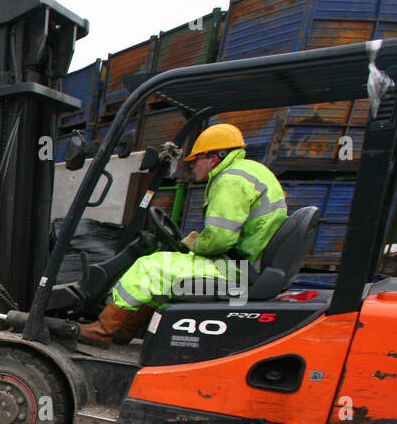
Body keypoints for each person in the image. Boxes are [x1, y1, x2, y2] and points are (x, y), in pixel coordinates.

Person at [78, 123, 288, 346]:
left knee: (148, 267)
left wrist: (194, 245)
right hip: (246, 267)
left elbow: (220, 238)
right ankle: (126, 330)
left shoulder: (230, 180)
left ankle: (103, 331)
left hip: (237, 273)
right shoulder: (251, 172)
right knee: (164, 274)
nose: (192, 166)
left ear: (215, 157)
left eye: (196, 160)